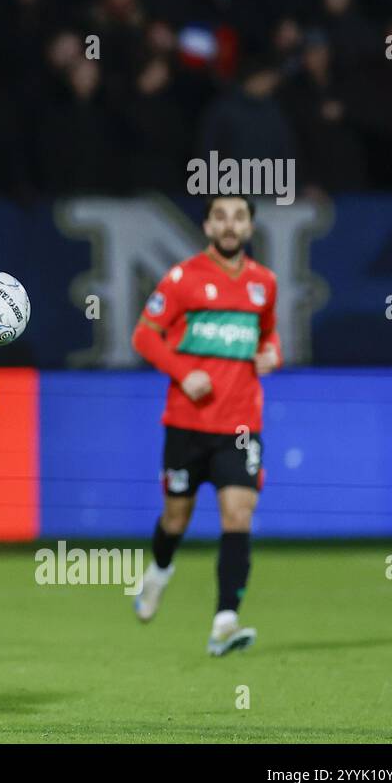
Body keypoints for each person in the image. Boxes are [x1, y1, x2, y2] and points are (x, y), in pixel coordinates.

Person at [131, 194, 281, 656]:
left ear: (250, 227)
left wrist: (273, 354)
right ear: (208, 226)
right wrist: (183, 372)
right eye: (221, 217)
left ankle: (224, 622)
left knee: (238, 514)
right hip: (187, 424)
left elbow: (268, 334)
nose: (230, 225)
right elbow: (143, 335)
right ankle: (159, 572)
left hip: (240, 426)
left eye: (239, 217)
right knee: (176, 518)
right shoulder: (183, 280)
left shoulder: (264, 284)